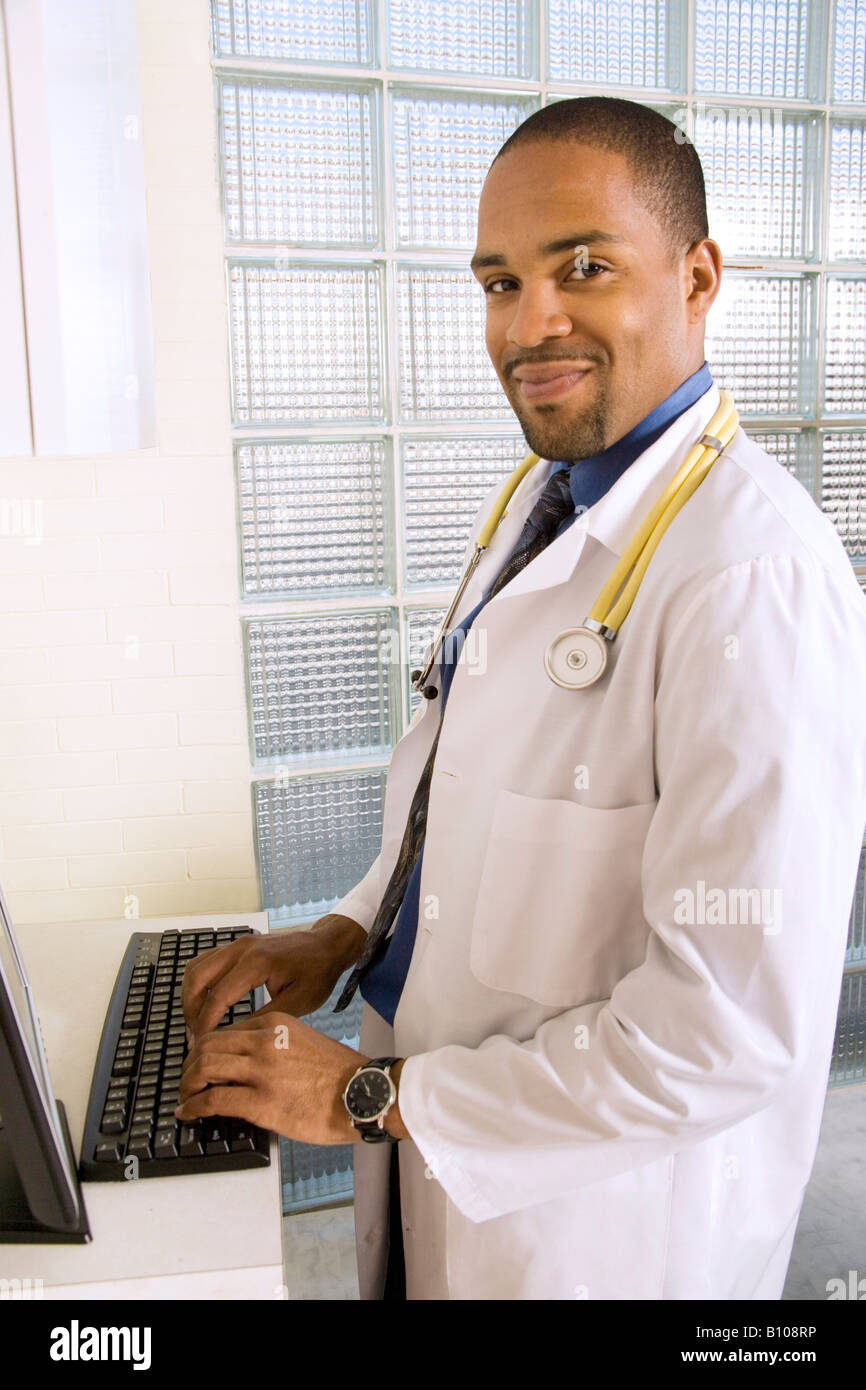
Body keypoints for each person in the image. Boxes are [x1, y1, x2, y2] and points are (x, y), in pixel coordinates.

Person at [178, 97, 866, 1301]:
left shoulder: (754, 579)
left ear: (697, 275)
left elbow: (724, 1034)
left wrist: (362, 1095)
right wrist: (349, 933)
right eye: (498, 282)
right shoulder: (546, 502)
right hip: (446, 1164)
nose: (528, 323)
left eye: (582, 267)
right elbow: (466, 794)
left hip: (604, 1243)